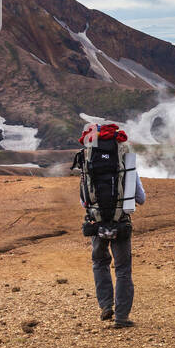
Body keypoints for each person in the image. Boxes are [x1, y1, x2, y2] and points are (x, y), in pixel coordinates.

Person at [75, 122, 145, 329]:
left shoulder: (88, 163)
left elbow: (84, 200)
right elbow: (140, 198)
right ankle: (121, 317)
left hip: (96, 222)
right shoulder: (126, 163)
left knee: (100, 262)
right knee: (123, 268)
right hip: (120, 221)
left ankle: (106, 305)